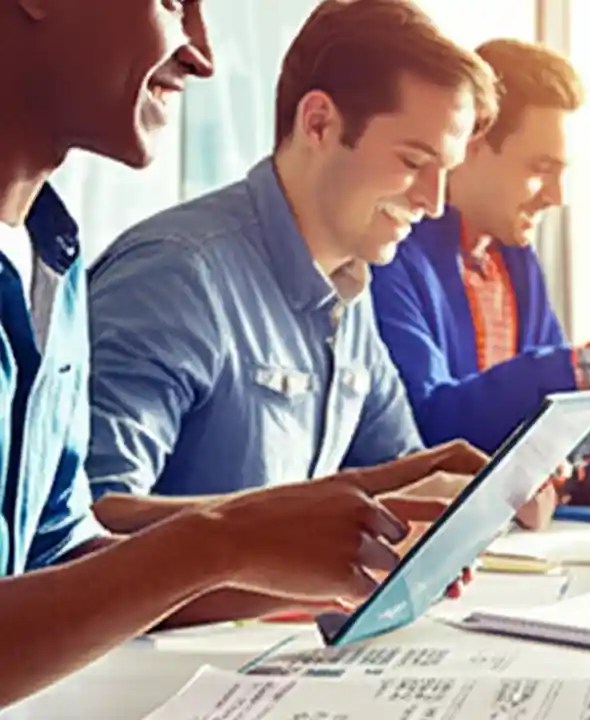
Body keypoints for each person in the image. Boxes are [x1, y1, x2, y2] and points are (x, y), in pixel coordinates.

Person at [0, 0, 467, 706]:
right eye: (170, 1)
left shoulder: (51, 261)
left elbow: (63, 558)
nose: (204, 55)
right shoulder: (174, 270)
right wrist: (220, 542)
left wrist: (359, 512)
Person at [83, 2, 562, 534]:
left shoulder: (351, 294)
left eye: (445, 173)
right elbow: (90, 529)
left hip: (282, 621)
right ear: (318, 124)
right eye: (412, 163)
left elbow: (405, 481)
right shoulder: (176, 277)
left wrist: (483, 494)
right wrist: (299, 532)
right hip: (190, 624)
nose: (434, 202)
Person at [370, 39, 590, 455]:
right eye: (541, 170)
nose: (556, 196)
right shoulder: (391, 254)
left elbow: (554, 416)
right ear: (473, 145)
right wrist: (580, 367)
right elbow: (426, 423)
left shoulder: (516, 261)